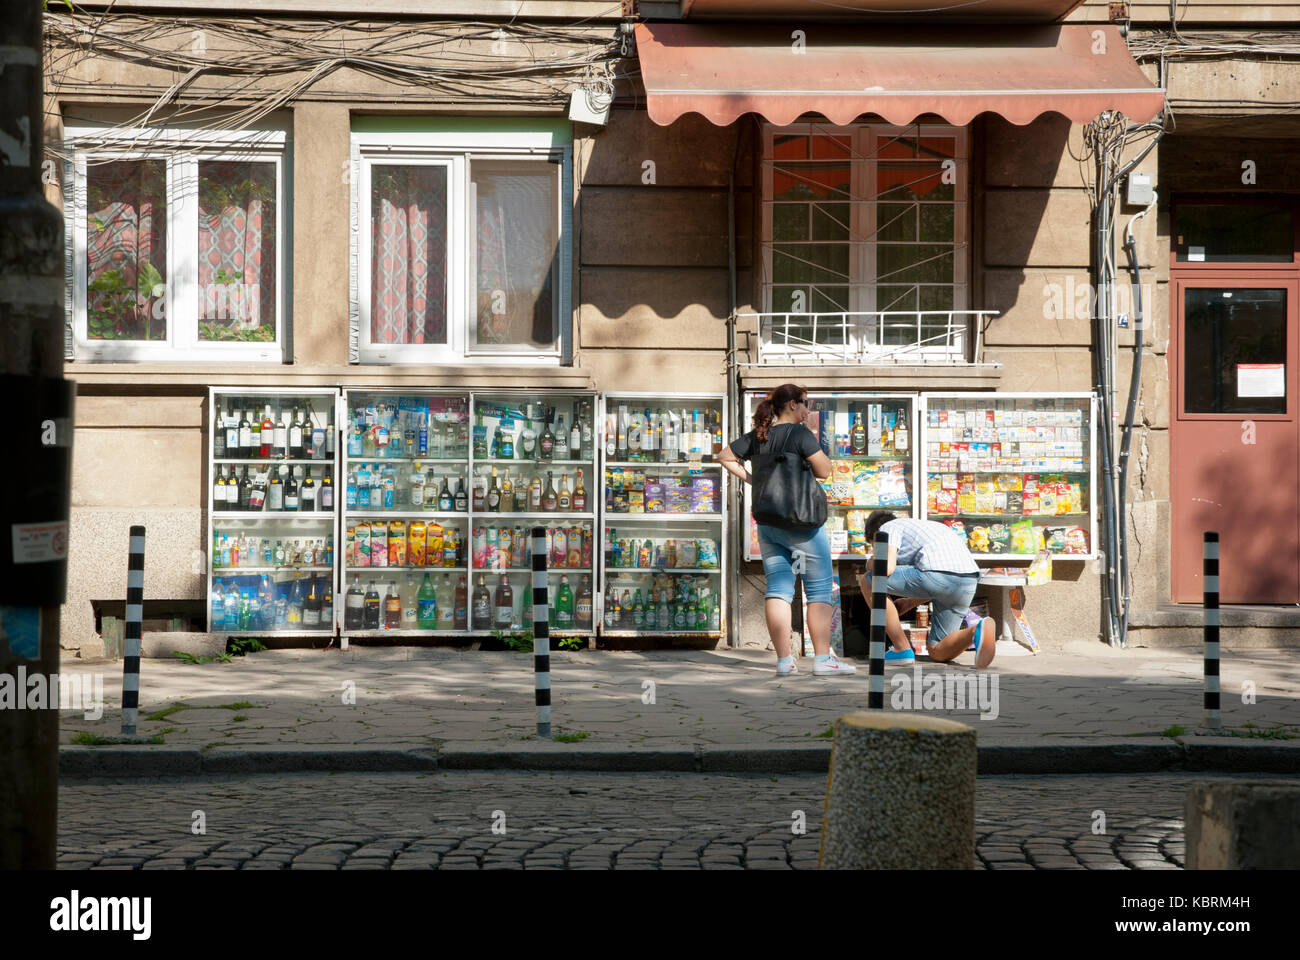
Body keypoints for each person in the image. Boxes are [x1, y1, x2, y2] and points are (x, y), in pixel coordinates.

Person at [719, 384, 856, 677]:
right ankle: (822, 660)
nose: (808, 410)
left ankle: (784, 662)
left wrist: (754, 480)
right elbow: (824, 470)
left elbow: (725, 456)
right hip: (802, 524)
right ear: (792, 405)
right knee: (818, 590)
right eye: (806, 404)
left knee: (779, 588)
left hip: (769, 524)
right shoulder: (800, 435)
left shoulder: (759, 435)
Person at [859, 510, 996, 669]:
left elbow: (887, 567)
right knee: (938, 651)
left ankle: (901, 649)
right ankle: (976, 631)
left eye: (874, 546)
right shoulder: (930, 527)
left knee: (868, 580)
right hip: (967, 581)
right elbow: (944, 582)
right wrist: (910, 602)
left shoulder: (888, 527)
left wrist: (869, 562)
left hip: (936, 575)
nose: (876, 550)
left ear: (875, 535)